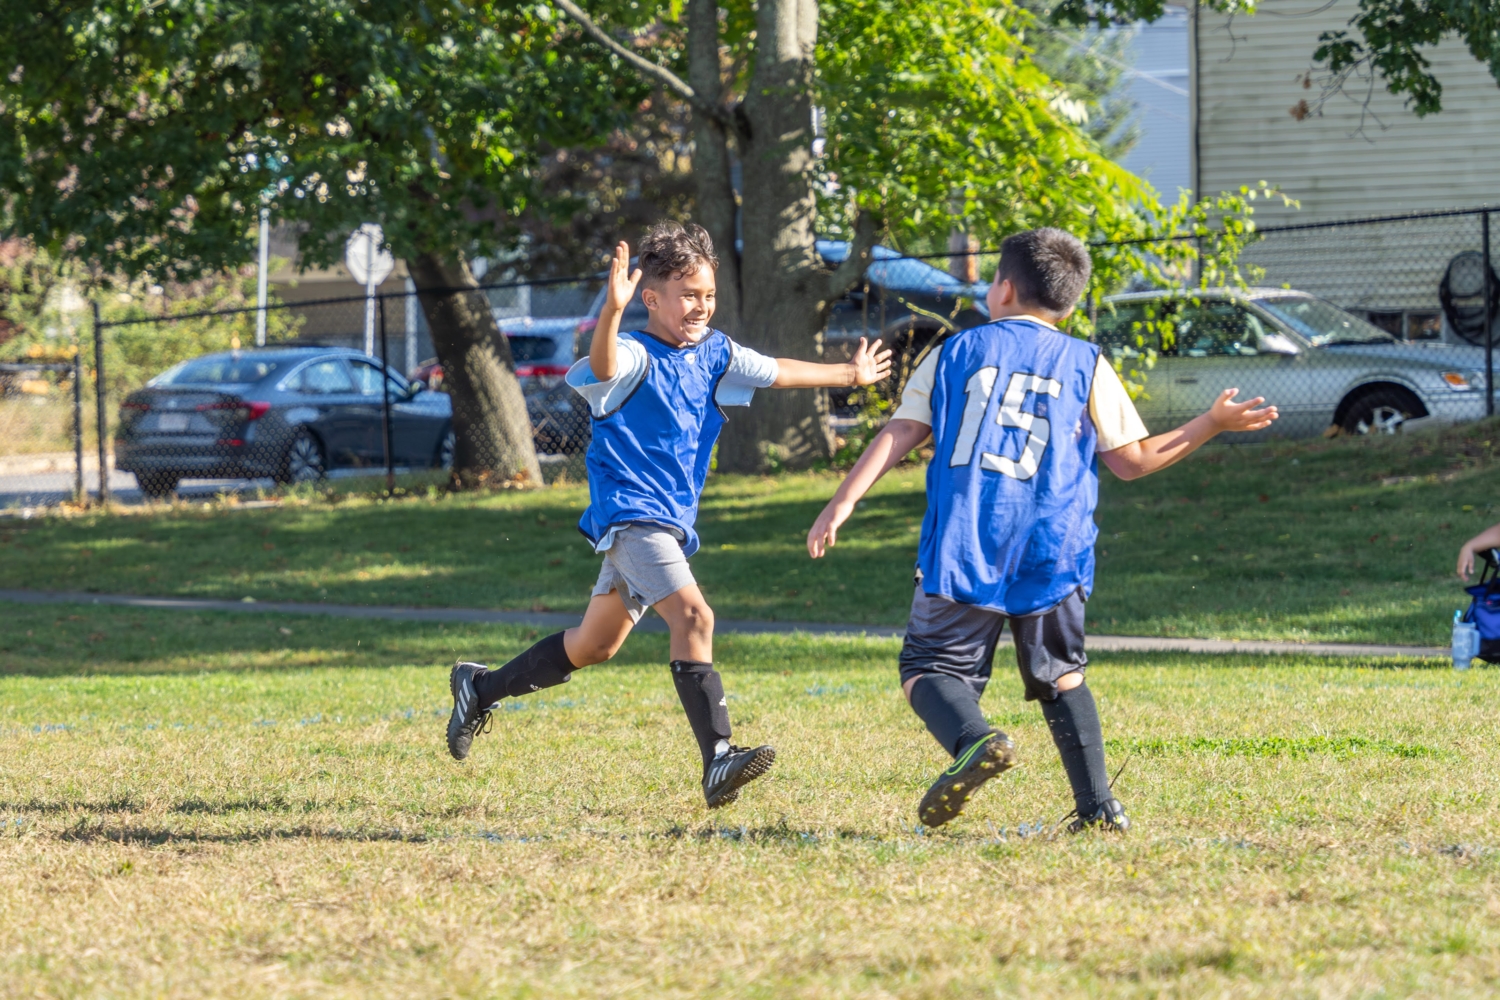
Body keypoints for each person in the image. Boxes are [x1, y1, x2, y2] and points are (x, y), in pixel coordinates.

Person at [806, 228, 1278, 832]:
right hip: (1054, 545)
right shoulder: (1087, 362)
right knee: (1061, 673)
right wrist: (1210, 422)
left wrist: (842, 500)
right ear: (1071, 303)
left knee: (929, 666)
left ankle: (976, 740)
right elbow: (1132, 461)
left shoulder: (954, 351)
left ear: (1002, 288)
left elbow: (901, 430)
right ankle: (1099, 808)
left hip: (967, 539)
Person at [445, 222, 892, 809]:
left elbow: (778, 370)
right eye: (688, 295)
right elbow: (602, 366)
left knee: (594, 645)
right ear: (650, 299)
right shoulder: (633, 352)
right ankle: (718, 759)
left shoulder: (715, 352)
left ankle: (478, 689)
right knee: (695, 617)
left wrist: (849, 375)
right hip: (632, 517)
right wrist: (611, 311)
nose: (701, 305)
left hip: (668, 524)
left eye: (708, 294)